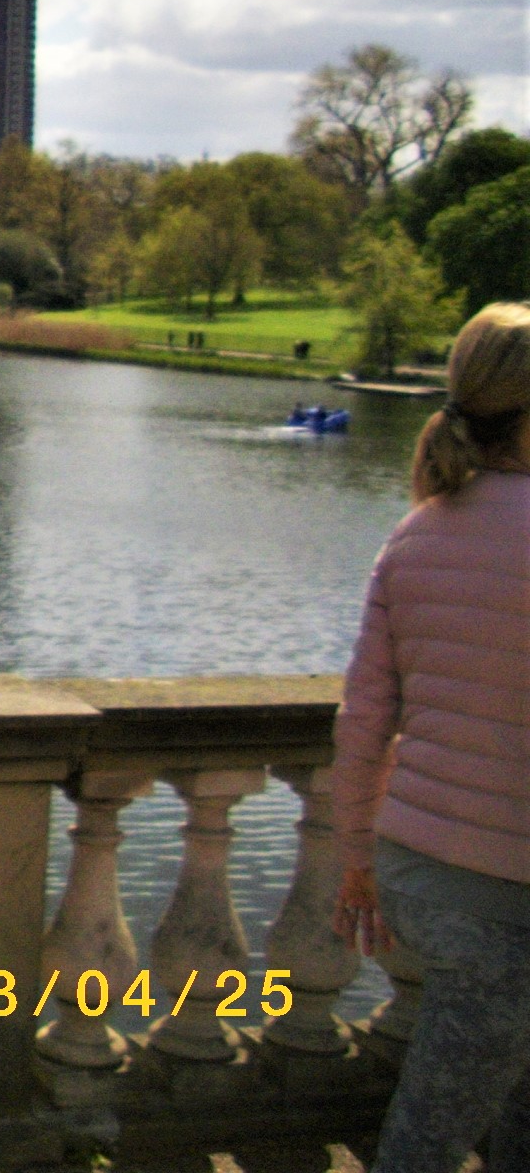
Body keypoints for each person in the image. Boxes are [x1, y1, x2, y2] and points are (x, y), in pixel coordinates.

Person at [331, 301, 530, 1172]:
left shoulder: (414, 533)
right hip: (506, 889)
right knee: (429, 1137)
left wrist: (356, 862)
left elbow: (363, 721)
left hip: (419, 872)